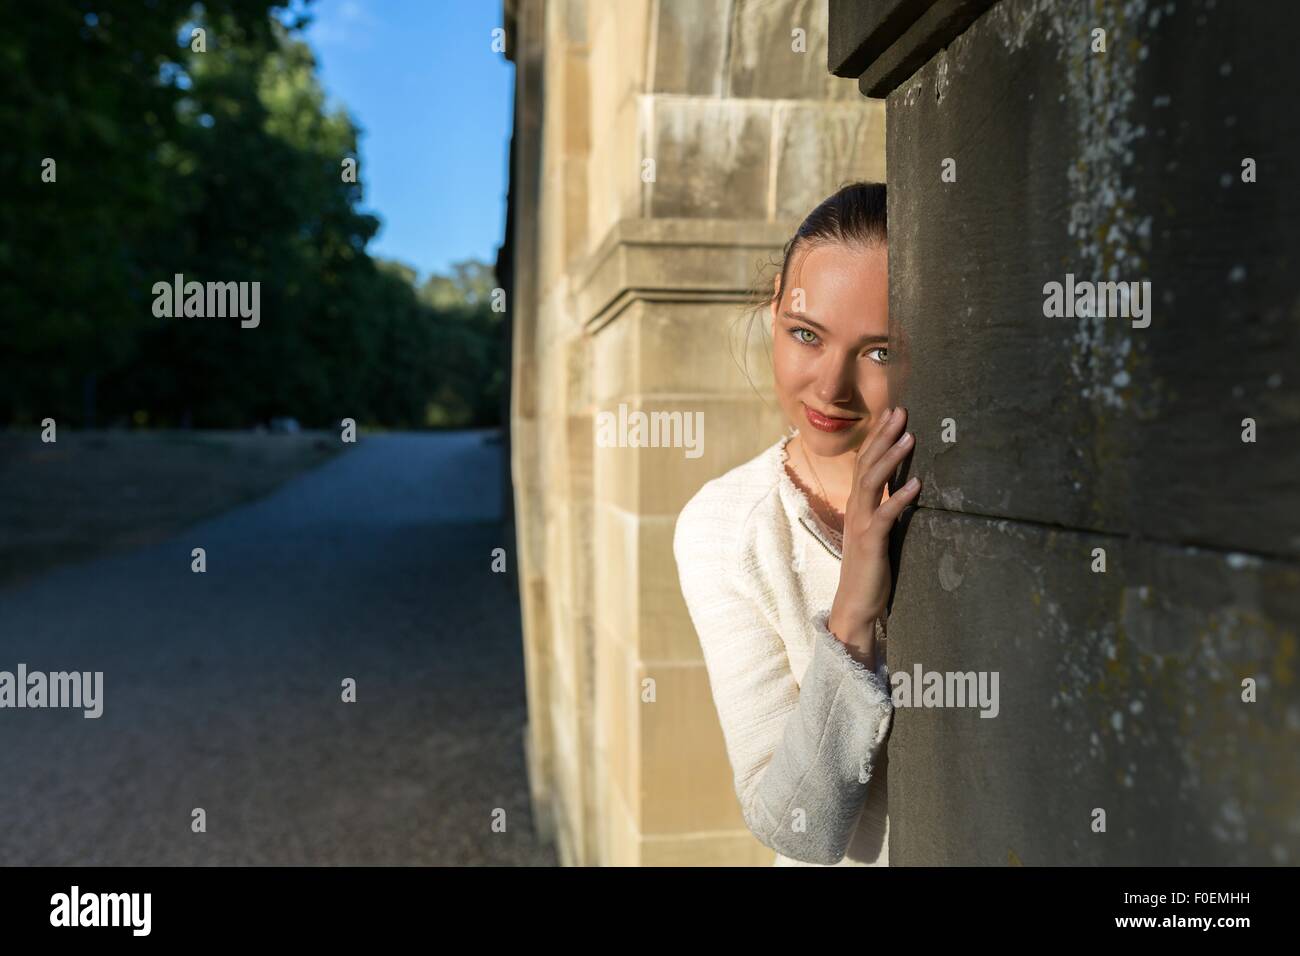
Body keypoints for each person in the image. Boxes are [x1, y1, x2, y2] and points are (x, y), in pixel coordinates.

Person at [672, 181, 920, 866]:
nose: (830, 387)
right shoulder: (725, 529)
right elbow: (794, 826)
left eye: (878, 351)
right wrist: (852, 617)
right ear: (774, 304)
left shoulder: (968, 489)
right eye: (806, 335)